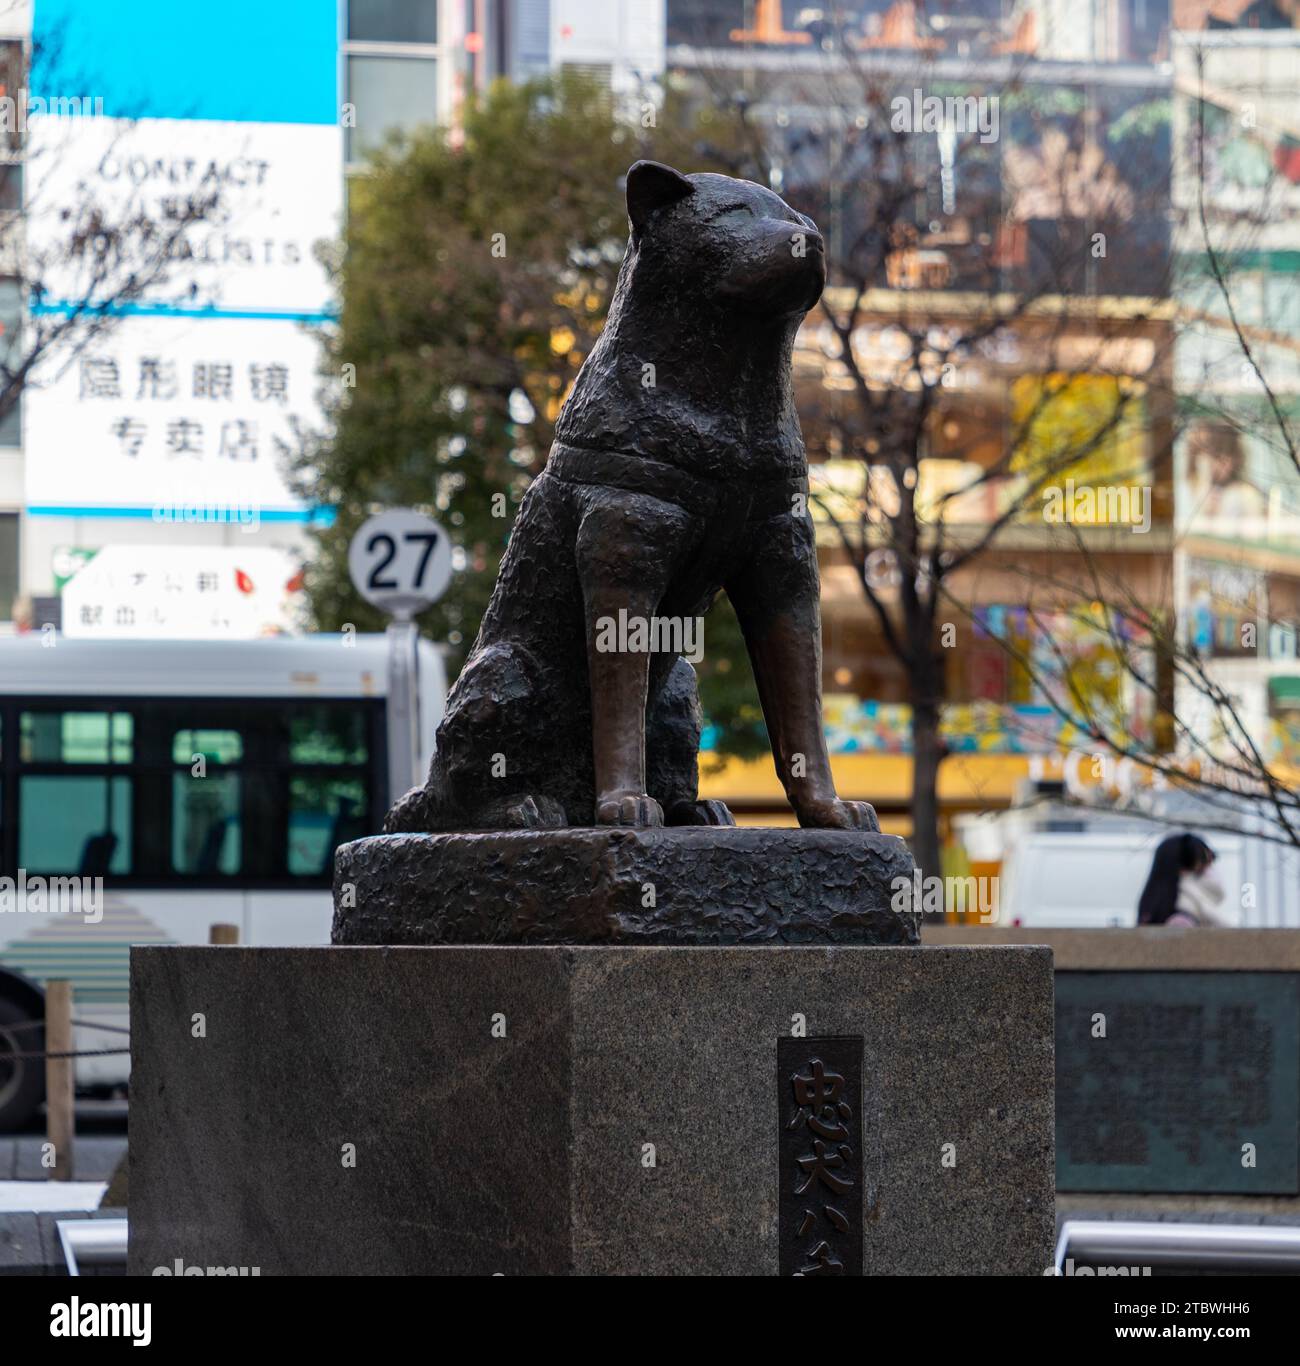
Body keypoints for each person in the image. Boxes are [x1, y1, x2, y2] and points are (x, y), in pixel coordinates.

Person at [1137, 833, 1228, 926]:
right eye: (1202, 867)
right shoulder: (1181, 919)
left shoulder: (1153, 908)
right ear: (1183, 871)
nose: (1211, 871)